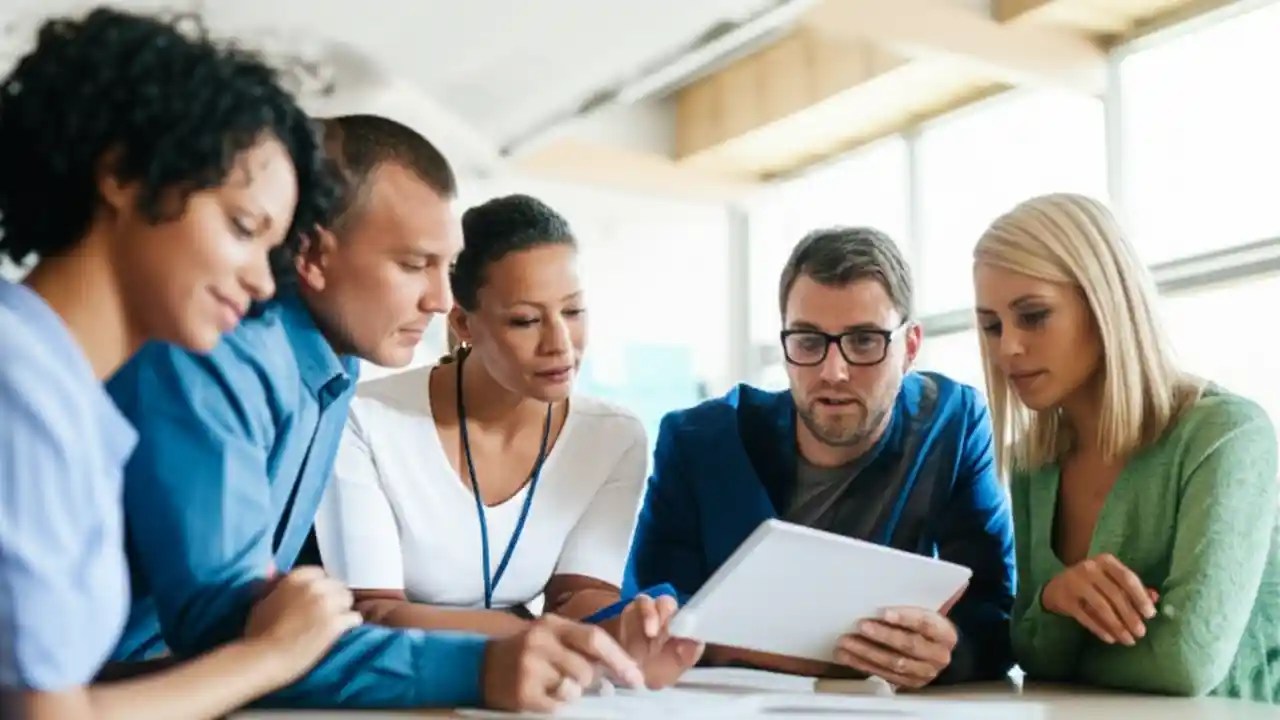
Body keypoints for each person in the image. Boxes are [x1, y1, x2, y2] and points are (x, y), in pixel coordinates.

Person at [105, 119, 644, 712]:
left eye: (446, 267)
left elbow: (266, 633)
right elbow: (227, 628)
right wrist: (480, 664)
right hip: (111, 687)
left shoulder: (336, 368)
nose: (441, 300)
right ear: (310, 252)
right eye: (415, 265)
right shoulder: (221, 358)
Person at [0, 8, 364, 720]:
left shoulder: (67, 396)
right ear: (122, 175)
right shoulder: (24, 389)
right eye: (242, 228)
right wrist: (268, 656)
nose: (264, 283)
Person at [314, 194, 703, 691]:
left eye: (574, 311)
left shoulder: (613, 435)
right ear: (462, 323)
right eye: (525, 320)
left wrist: (627, 627)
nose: (560, 343)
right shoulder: (364, 420)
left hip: (517, 689)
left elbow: (576, 598)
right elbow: (373, 612)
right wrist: (545, 636)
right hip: (392, 685)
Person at [626, 227, 1015, 688]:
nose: (834, 372)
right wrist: (839, 661)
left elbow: (995, 611)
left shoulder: (954, 423)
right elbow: (652, 614)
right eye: (809, 342)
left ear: (910, 347)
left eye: (865, 341)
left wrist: (949, 647)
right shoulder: (696, 441)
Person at [973, 193, 1280, 702]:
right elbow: (1028, 648)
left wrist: (1061, 641)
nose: (1007, 347)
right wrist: (1054, 598)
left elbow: (1185, 662)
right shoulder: (1034, 462)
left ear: (1104, 305)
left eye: (1033, 315)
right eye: (991, 325)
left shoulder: (1228, 434)